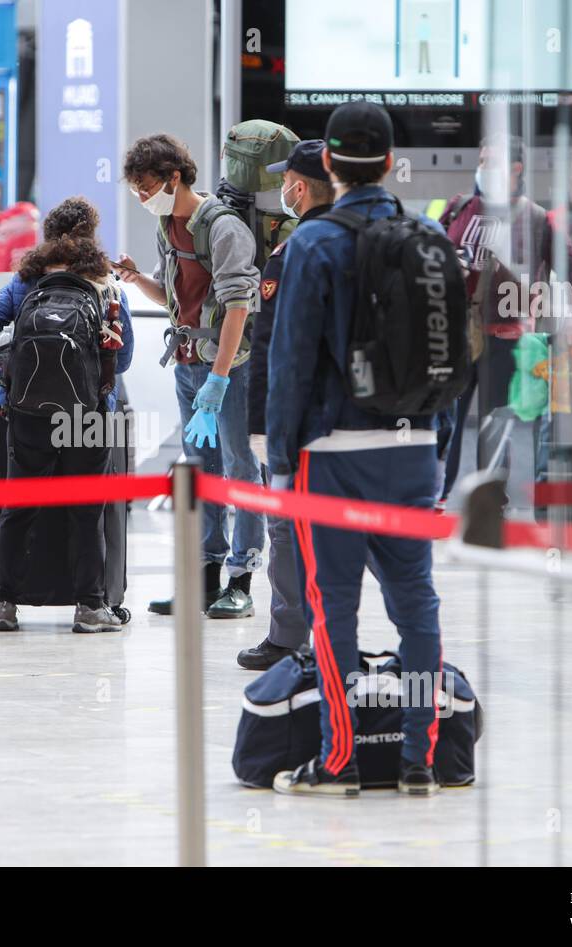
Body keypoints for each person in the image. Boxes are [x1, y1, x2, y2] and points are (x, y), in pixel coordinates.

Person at [267, 102, 445, 798]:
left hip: (334, 454)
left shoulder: (314, 243)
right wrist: (440, 454)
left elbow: (291, 367)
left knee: (332, 605)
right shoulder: (427, 234)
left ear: (331, 164)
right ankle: (418, 759)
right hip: (414, 450)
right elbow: (448, 355)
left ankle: (337, 759)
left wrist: (280, 461)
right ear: (393, 162)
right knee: (417, 603)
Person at [0, 197, 134, 633]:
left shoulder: (27, 282)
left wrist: (0, 381)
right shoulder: (106, 282)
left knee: (18, 507)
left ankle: (3, 605)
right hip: (88, 414)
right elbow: (126, 356)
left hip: (29, 412)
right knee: (85, 510)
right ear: (90, 237)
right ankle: (89, 608)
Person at [115, 134, 263, 619]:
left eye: (147, 186)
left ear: (174, 177)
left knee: (240, 469)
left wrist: (218, 383)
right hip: (185, 362)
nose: (142, 197)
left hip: (228, 369)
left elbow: (238, 307)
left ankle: (241, 579)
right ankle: (204, 578)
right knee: (201, 472)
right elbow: (175, 299)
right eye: (136, 189)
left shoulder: (223, 229)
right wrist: (138, 280)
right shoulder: (167, 224)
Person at [438, 132, 572, 507]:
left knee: (494, 422)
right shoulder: (458, 208)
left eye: (493, 161)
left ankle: (490, 506)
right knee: (443, 418)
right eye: (482, 159)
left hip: (506, 336)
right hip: (455, 334)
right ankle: (435, 498)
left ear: (516, 169)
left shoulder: (536, 219)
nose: (484, 167)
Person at [238, 140, 334, 670]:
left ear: (299, 187)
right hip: (357, 421)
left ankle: (290, 637)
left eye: (286, 182)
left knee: (287, 529)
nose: (282, 191)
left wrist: (261, 426)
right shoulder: (363, 237)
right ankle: (332, 639)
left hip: (298, 423)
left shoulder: (295, 249)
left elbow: (270, 345)